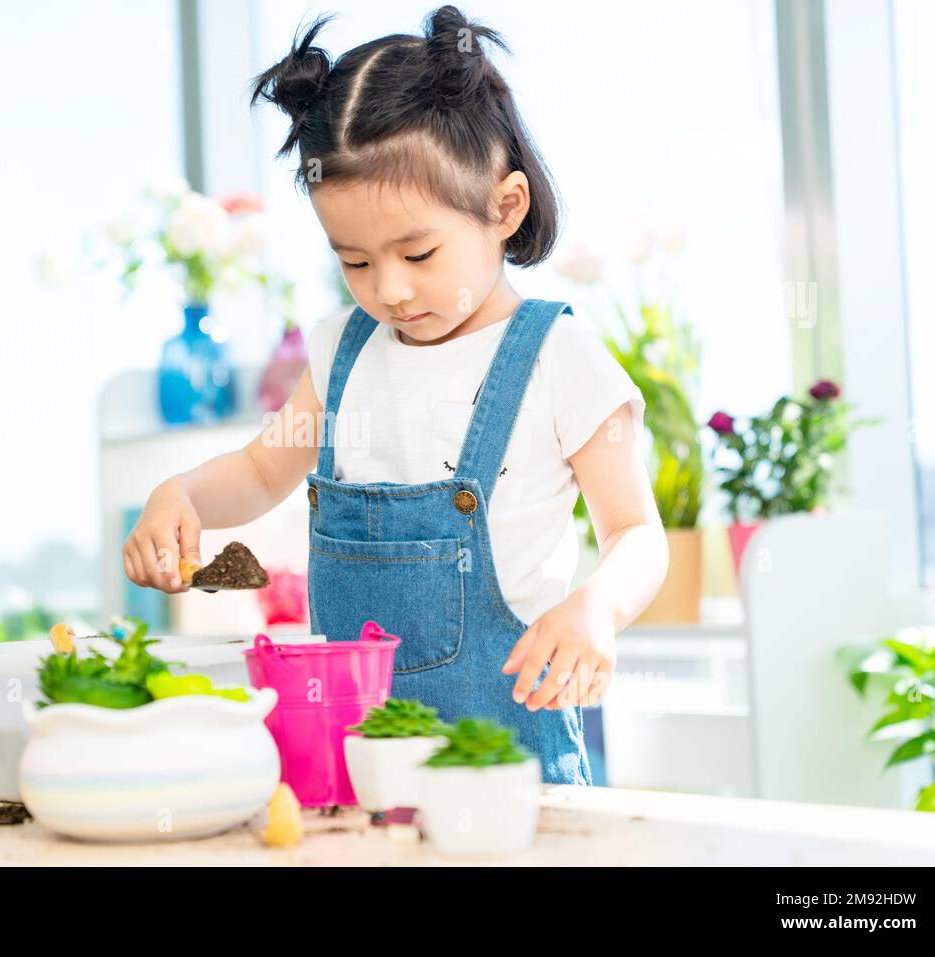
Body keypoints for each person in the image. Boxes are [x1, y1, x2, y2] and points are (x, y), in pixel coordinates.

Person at [123, 5, 668, 785]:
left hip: (511, 773)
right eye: (355, 261)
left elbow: (637, 534)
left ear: (503, 206)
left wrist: (598, 608)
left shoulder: (559, 356)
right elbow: (258, 471)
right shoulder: (346, 352)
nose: (391, 289)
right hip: (350, 771)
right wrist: (183, 495)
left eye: (418, 251)